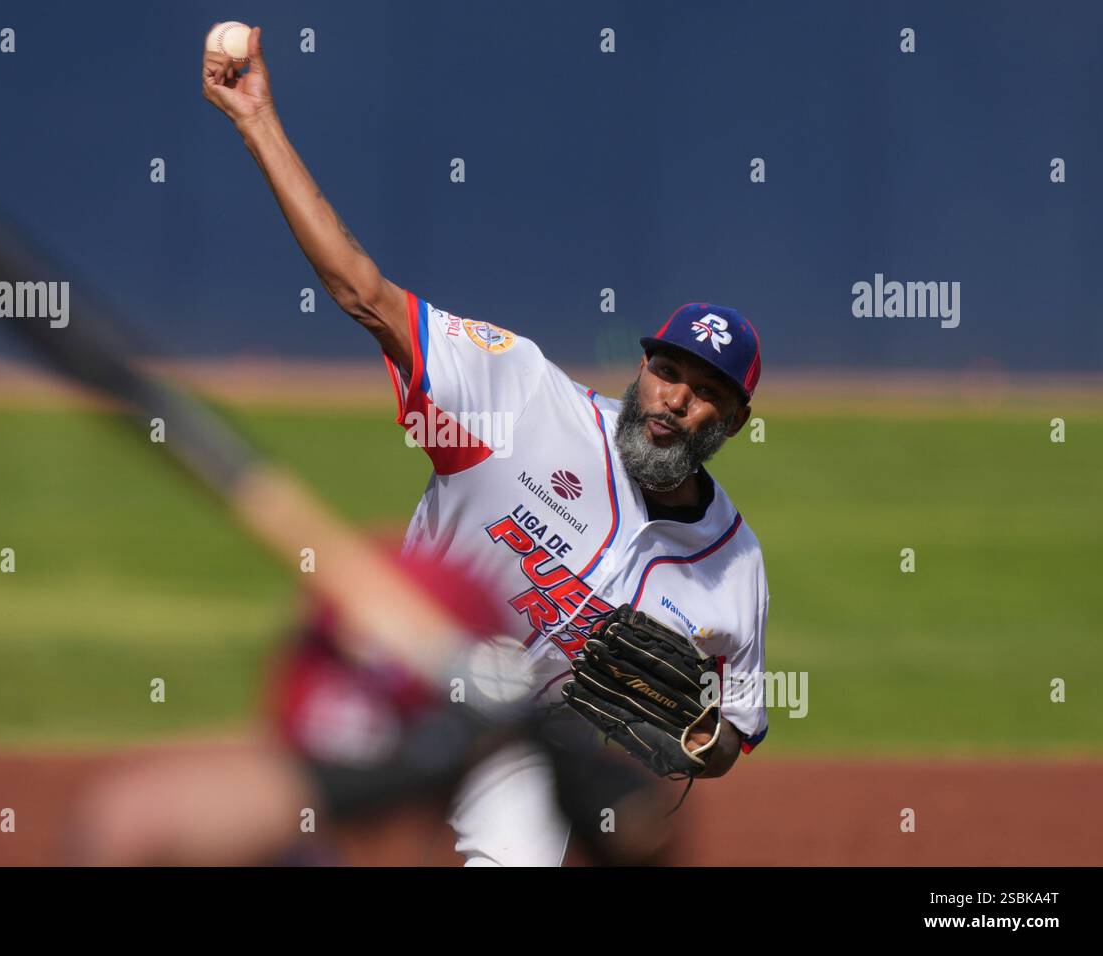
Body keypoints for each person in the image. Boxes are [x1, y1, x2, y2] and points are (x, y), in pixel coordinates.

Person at [202, 24, 769, 867]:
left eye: (707, 392)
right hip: (395, 686)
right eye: (667, 371)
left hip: (516, 751)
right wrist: (257, 121)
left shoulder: (736, 567)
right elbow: (365, 294)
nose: (676, 400)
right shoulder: (521, 397)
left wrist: (684, 733)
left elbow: (734, 734)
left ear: (730, 422)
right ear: (642, 368)